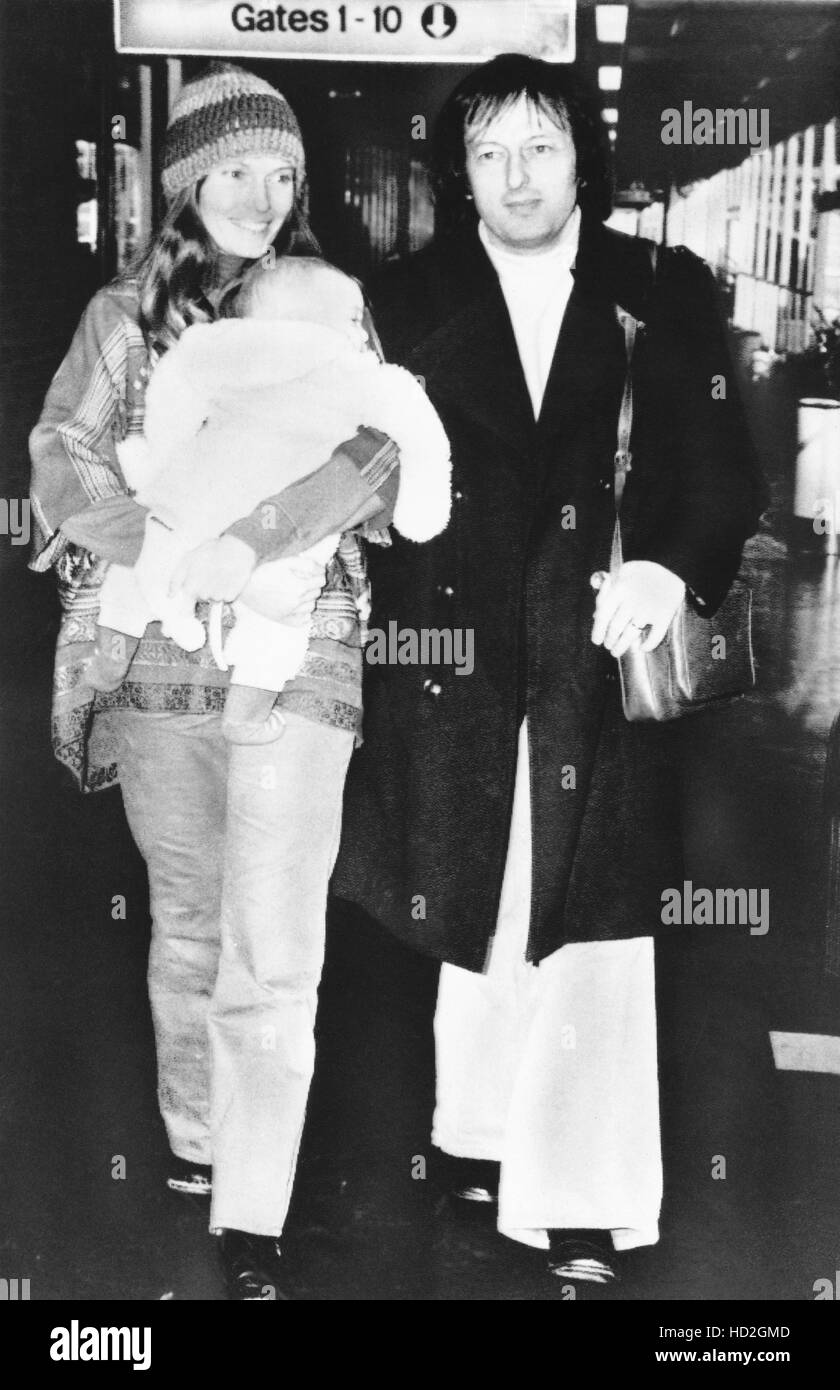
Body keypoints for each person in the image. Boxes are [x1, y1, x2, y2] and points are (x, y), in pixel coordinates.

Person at [333, 53, 765, 1284]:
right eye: (489, 152)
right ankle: (473, 1131)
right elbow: (360, 471)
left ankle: (584, 1193)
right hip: (452, 660)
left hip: (594, 651)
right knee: (483, 889)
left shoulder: (657, 292)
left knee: (595, 915)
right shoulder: (403, 302)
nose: (517, 175)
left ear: (585, 156)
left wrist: (670, 571)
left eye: (541, 146)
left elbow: (721, 471)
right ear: (458, 173)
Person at [29, 63, 403, 1300]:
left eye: (282, 170)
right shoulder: (118, 320)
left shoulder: (327, 303)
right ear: (185, 179)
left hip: (304, 650)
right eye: (237, 167)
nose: (262, 191)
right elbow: (63, 460)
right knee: (189, 920)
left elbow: (384, 446)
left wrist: (262, 535)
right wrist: (169, 545)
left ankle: (255, 1201)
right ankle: (198, 1134)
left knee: (276, 942)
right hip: (159, 663)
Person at [88, 256, 450, 743]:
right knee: (279, 628)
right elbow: (416, 432)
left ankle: (110, 654)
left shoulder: (224, 350)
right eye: (351, 319)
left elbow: (175, 390)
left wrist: (157, 459)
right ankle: (247, 715)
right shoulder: (356, 371)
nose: (362, 332)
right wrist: (423, 510)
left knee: (134, 576)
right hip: (288, 530)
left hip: (198, 500)